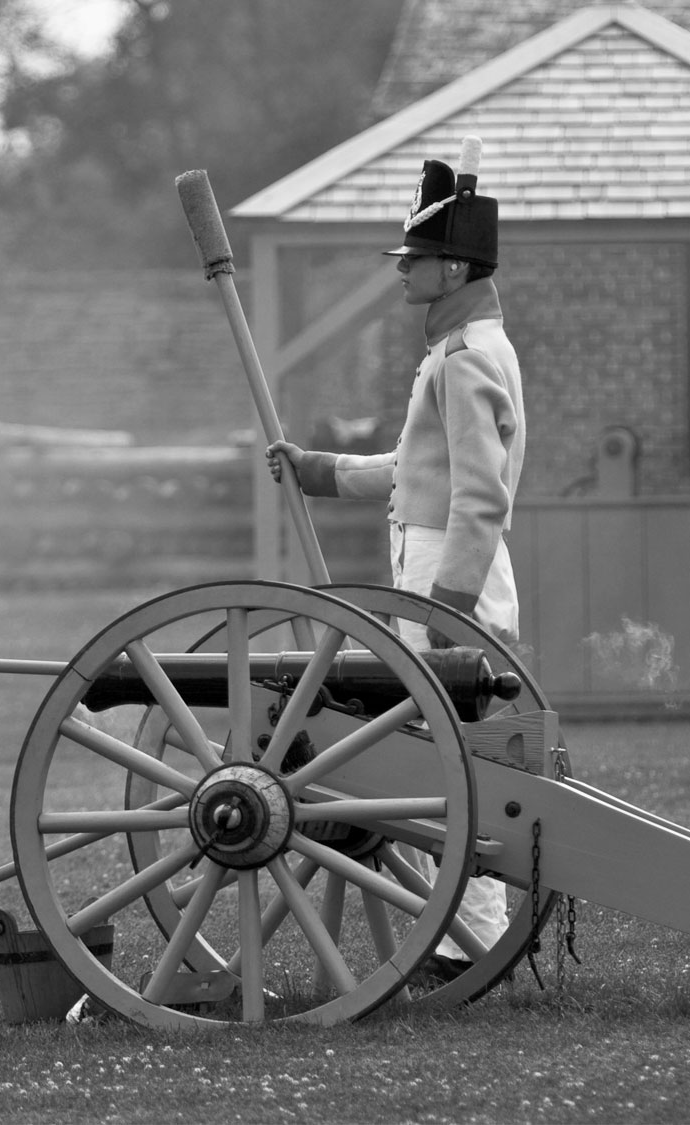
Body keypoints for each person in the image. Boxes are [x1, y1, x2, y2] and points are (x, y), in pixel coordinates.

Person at [266, 137, 524, 983]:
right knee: (449, 759)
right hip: (444, 573)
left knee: (456, 765)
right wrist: (320, 472)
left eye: (414, 259)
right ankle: (464, 938)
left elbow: (481, 497)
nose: (401, 272)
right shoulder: (462, 351)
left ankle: (466, 946)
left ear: (452, 271)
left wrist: (441, 612)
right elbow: (418, 470)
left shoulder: (464, 359)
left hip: (451, 576)